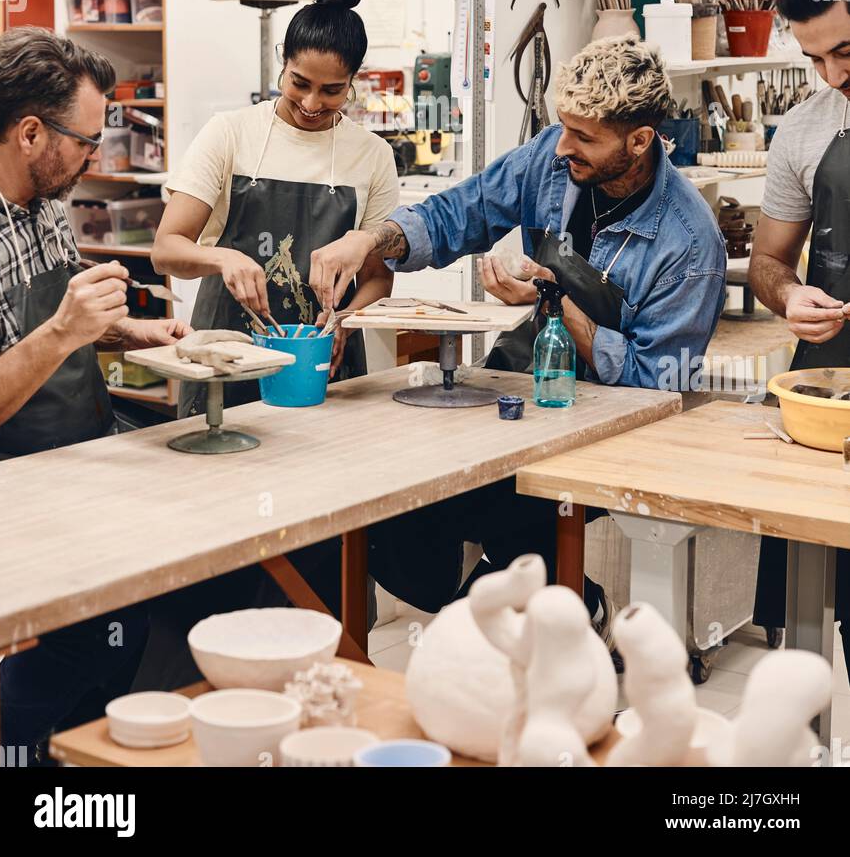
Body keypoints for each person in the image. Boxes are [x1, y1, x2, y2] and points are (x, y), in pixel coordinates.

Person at [309, 38, 727, 616]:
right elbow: (458, 213)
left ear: (639, 139)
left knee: (500, 510)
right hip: (528, 374)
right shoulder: (550, 162)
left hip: (616, 418)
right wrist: (370, 240)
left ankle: (542, 603)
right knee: (402, 484)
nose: (563, 146)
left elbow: (657, 382)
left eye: (584, 136)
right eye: (563, 127)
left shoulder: (689, 241)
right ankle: (539, 600)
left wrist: (555, 302)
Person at [0, 28, 190, 758]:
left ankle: (76, 750)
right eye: (85, 141)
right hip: (10, 486)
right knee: (90, 637)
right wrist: (66, 330)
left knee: (157, 602)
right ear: (30, 132)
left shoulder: (43, 199)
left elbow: (59, 334)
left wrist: (130, 332)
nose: (93, 158)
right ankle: (18, 745)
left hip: (77, 455)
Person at [153, 0, 399, 399]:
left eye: (332, 91)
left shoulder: (372, 155)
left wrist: (346, 319)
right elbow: (166, 250)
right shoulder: (229, 133)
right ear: (283, 59)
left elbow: (377, 277)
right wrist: (224, 259)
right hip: (228, 362)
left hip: (324, 363)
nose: (310, 103)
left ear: (354, 82)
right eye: (299, 83)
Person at [749, 0, 850, 664]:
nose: (835, 75)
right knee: (832, 598)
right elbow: (768, 262)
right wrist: (789, 298)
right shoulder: (808, 128)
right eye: (817, 60)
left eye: (846, 50)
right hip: (834, 390)